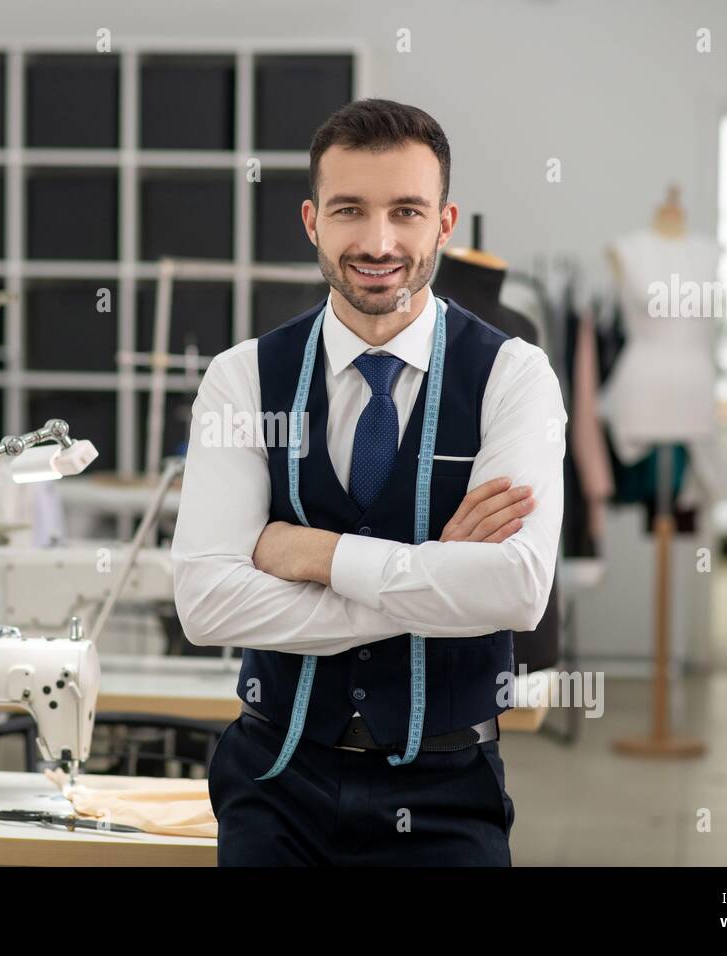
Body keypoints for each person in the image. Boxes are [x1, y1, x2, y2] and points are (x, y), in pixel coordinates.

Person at [171, 98, 566, 865]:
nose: (378, 242)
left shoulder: (513, 376)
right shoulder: (243, 378)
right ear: (312, 220)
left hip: (450, 789)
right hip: (274, 779)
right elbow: (207, 603)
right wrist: (435, 582)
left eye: (406, 212)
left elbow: (516, 590)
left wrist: (314, 554)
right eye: (350, 210)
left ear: (444, 224)